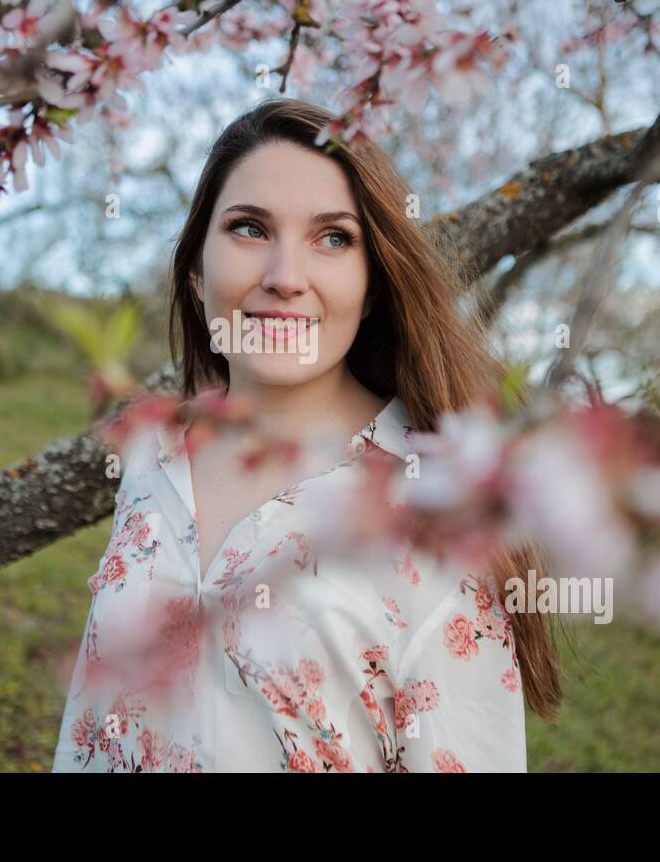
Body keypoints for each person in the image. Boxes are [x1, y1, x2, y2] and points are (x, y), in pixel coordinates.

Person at [51, 97, 561, 772]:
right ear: (198, 271)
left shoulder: (436, 506)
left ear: (373, 284)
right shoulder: (154, 460)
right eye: (250, 229)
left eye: (333, 238)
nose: (285, 278)